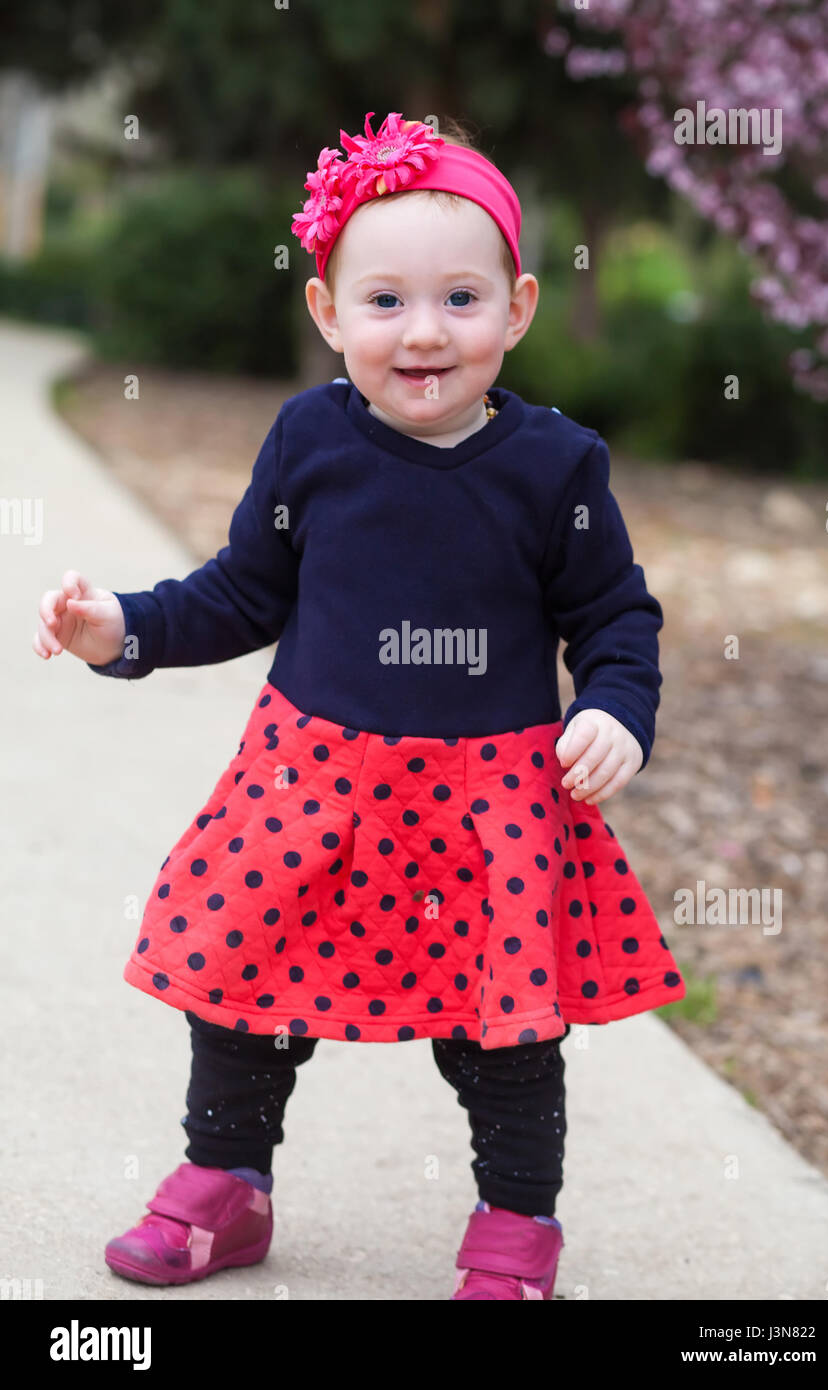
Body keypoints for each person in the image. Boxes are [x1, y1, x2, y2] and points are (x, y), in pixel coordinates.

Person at [33, 111, 686, 1300]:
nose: (424, 332)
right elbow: (240, 593)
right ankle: (226, 1181)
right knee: (239, 985)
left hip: (489, 796)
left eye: (460, 300)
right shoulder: (309, 441)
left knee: (506, 1034)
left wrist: (616, 710)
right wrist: (117, 628)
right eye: (383, 302)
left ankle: (513, 1227)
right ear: (328, 314)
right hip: (309, 780)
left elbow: (614, 618)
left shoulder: (556, 467)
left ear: (518, 307)